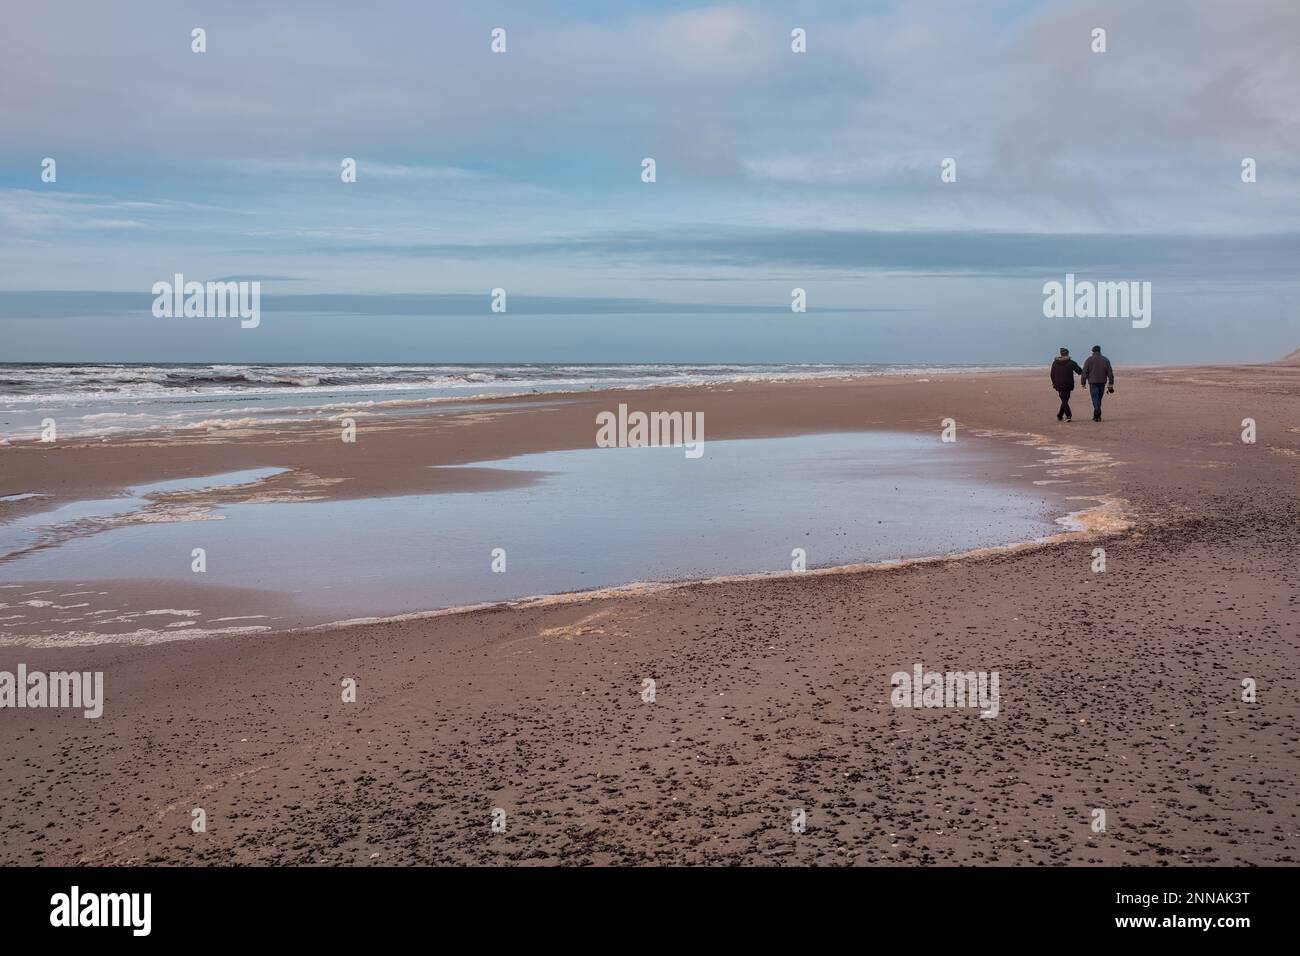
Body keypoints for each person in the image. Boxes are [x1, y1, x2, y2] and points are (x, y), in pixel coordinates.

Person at [1081, 345, 1115, 421]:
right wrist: (1111, 382)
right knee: (1098, 399)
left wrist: (1083, 383)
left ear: (1092, 351)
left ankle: (1097, 414)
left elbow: (1084, 372)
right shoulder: (1105, 360)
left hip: (1093, 383)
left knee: (1095, 399)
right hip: (1102, 382)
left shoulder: (1088, 360)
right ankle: (1097, 416)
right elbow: (1110, 372)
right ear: (1100, 351)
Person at [1049, 347, 1083, 421]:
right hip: (1068, 384)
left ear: (1061, 354)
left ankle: (1060, 415)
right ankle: (1068, 416)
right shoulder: (1071, 362)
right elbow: (1080, 371)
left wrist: (1054, 383)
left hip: (1059, 384)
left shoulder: (1055, 363)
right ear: (1067, 354)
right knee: (1064, 400)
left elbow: (1052, 374)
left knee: (1064, 400)